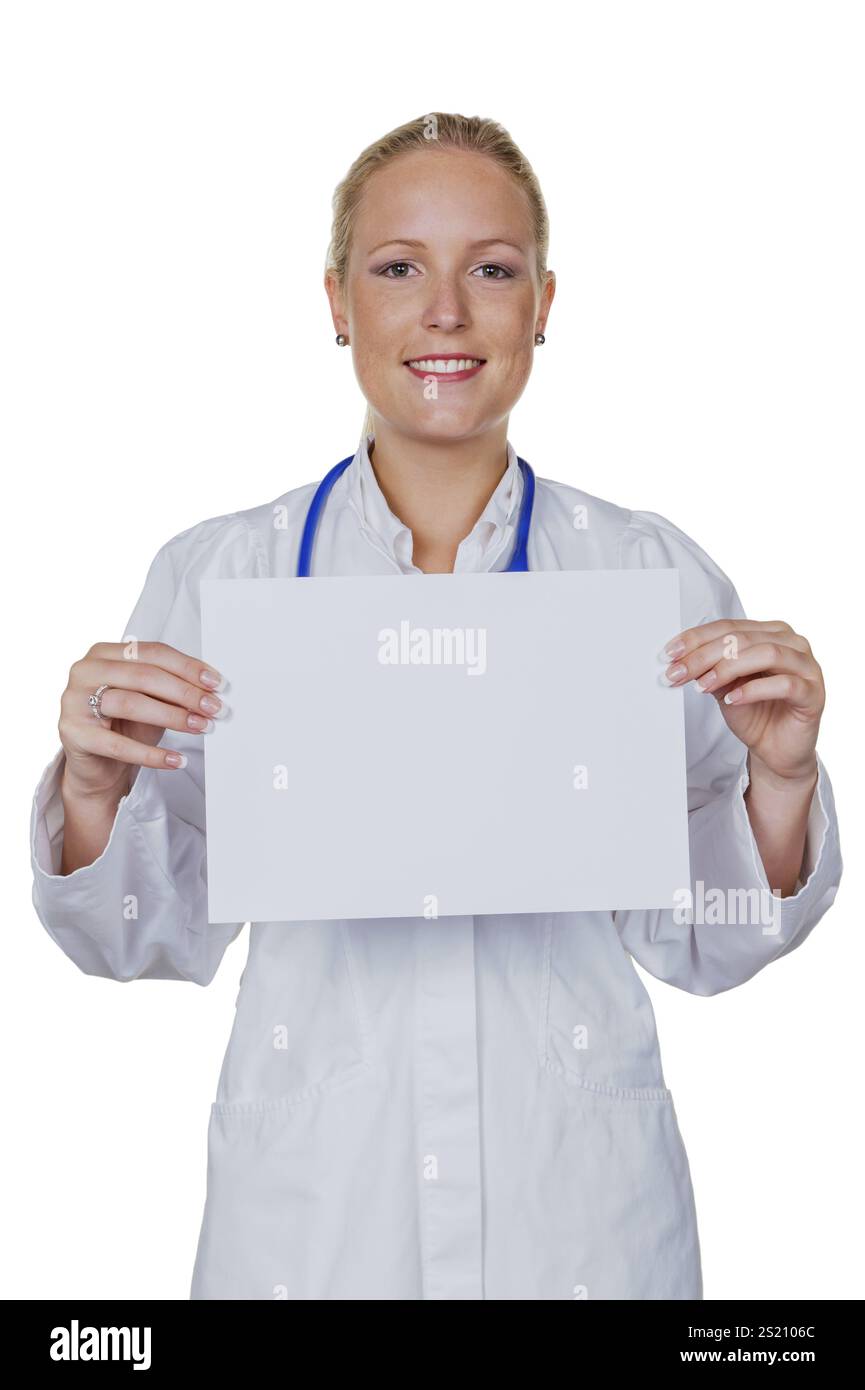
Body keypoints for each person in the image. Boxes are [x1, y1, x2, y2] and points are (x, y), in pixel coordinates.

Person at [29, 112, 843, 1301]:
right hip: (313, 1229)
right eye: (399, 266)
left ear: (544, 302)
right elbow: (141, 935)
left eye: (493, 269)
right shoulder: (223, 578)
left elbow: (712, 937)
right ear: (336, 302)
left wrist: (777, 782)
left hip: (576, 1228)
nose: (446, 311)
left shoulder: (642, 578)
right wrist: (95, 796)